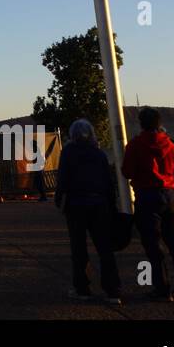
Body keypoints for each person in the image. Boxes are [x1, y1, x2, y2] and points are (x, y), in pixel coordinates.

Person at [122, 107, 174, 301]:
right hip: (169, 195)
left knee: (153, 244)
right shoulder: (170, 145)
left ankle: (162, 288)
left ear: (141, 123)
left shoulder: (136, 145)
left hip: (147, 196)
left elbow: (127, 171)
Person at [55, 118, 122, 304]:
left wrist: (59, 200)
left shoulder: (68, 152)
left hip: (76, 204)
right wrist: (111, 204)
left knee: (78, 248)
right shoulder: (98, 153)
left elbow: (63, 179)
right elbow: (108, 182)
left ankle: (82, 288)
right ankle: (113, 290)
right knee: (105, 248)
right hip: (99, 203)